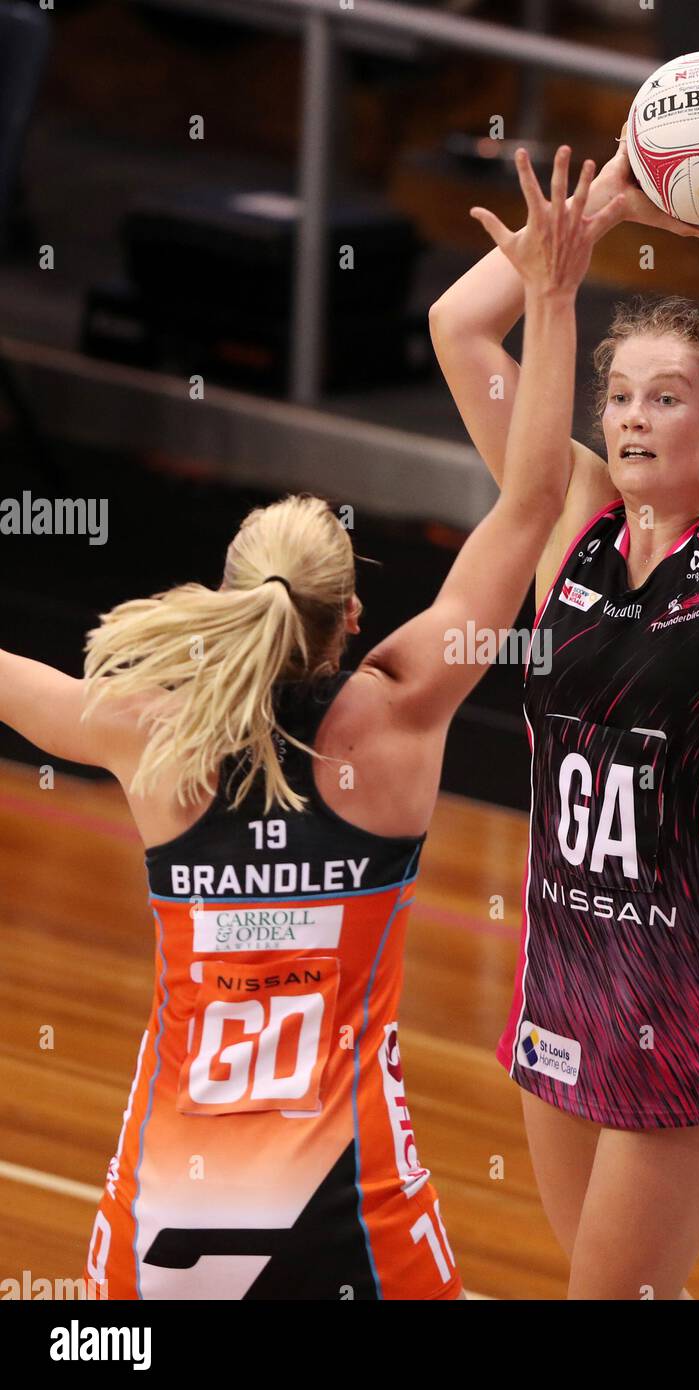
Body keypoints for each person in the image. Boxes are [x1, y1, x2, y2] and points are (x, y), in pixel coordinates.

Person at [0, 147, 624, 1300]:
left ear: (234, 593)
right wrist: (554, 291)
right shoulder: (395, 718)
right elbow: (536, 500)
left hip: (162, 1228)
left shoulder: (150, 737)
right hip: (354, 1221)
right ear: (351, 614)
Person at [429, 92, 699, 1299]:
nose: (637, 418)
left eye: (668, 398)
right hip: (564, 963)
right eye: (620, 398)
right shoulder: (576, 523)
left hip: (689, 978)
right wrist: (598, 209)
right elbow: (460, 330)